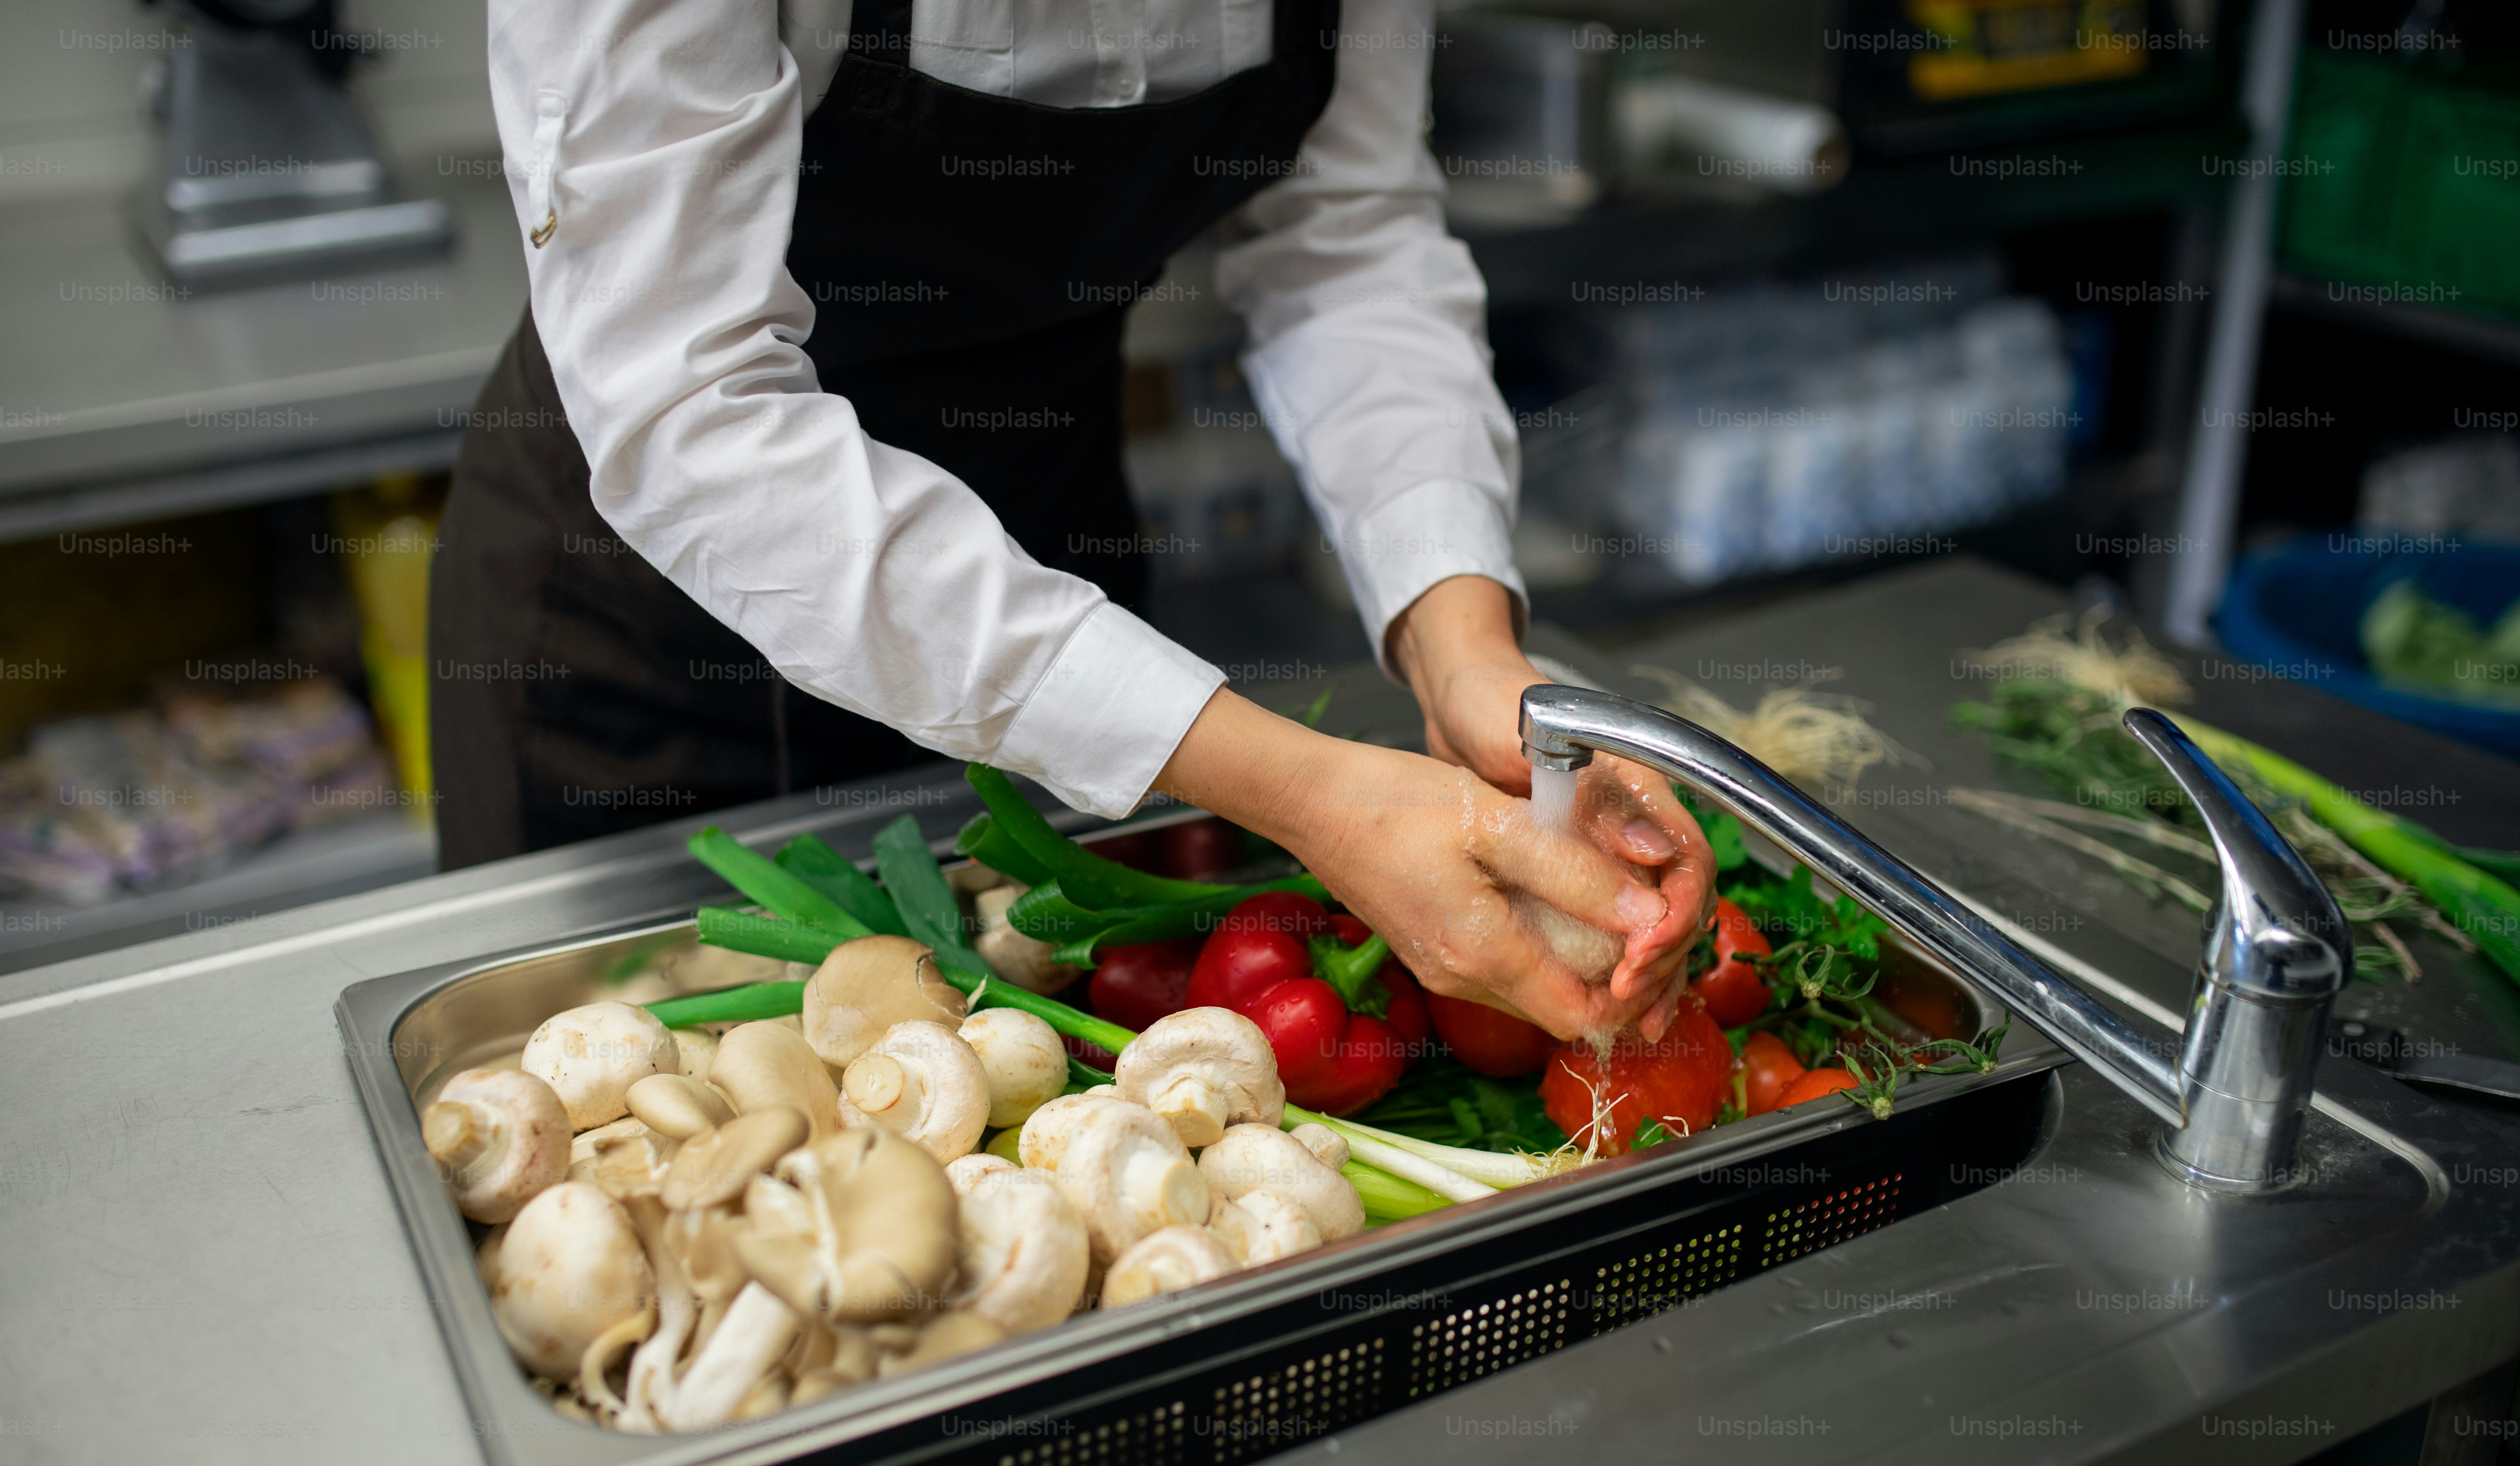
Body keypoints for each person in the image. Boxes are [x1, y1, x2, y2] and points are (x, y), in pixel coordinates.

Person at [429, 0, 1712, 1041]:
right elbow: (688, 406)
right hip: (656, 637)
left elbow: (1344, 236)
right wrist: (1304, 791)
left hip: (1060, 580)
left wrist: (1463, 639)